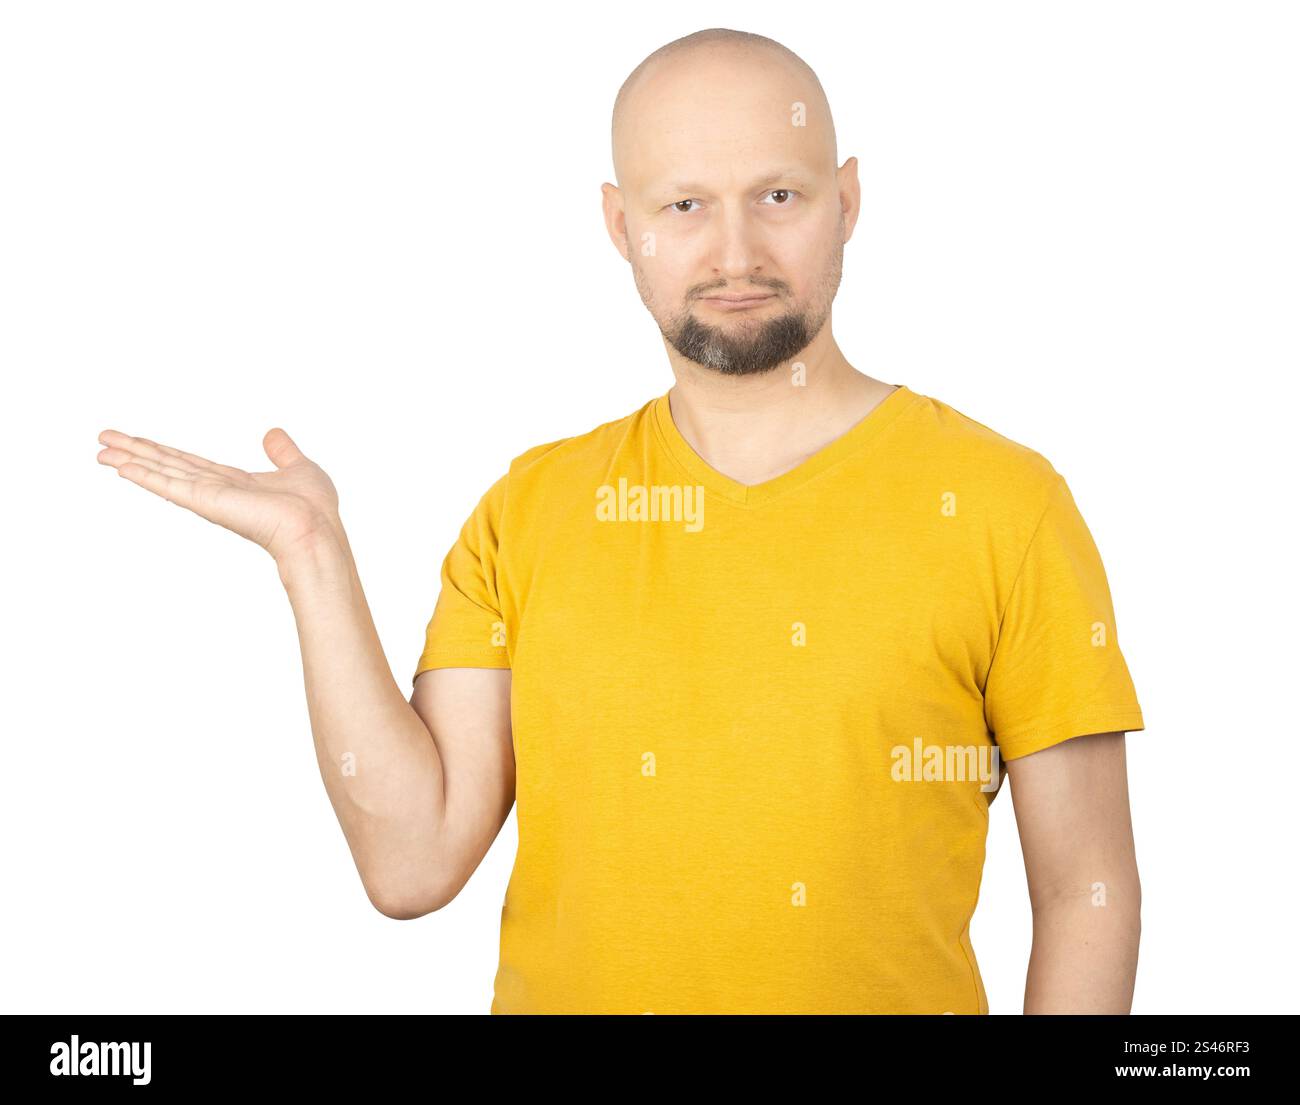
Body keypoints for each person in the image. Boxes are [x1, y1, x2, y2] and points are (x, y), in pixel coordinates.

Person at [96, 28, 1145, 1014]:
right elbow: (410, 864)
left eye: (777, 194)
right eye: (683, 205)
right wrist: (312, 557)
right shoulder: (530, 509)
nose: (735, 251)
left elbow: (1084, 890)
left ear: (848, 199)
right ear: (620, 226)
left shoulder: (1005, 504)